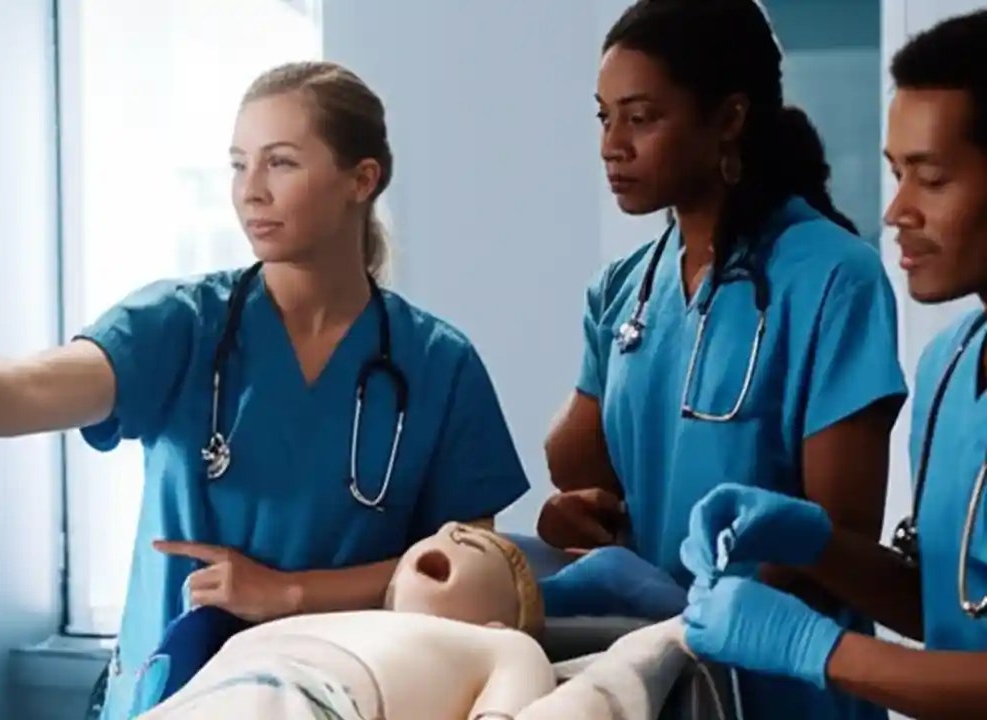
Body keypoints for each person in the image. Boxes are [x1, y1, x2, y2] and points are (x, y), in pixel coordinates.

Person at [0, 61, 529, 720]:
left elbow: (474, 582)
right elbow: (31, 392)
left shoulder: (437, 365)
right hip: (171, 700)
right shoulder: (185, 326)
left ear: (361, 179)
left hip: (337, 699)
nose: (250, 189)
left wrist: (289, 595)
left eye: (280, 162)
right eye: (238, 164)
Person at [536, 1, 907, 718]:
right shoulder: (624, 290)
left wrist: (703, 610)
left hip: (789, 688)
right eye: (603, 117)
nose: (613, 145)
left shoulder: (834, 277)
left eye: (641, 118)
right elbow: (580, 469)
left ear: (729, 118)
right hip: (657, 678)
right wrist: (579, 524)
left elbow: (838, 540)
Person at [680, 9, 987, 719]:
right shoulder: (949, 367)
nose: (898, 210)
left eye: (932, 179)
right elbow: (943, 603)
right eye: (895, 174)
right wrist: (815, 542)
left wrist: (820, 651)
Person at [140, 522, 696, 720]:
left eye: (479, 544)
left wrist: (658, 641)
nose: (452, 526)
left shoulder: (503, 649)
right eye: (443, 531)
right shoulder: (293, 628)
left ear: (502, 623)